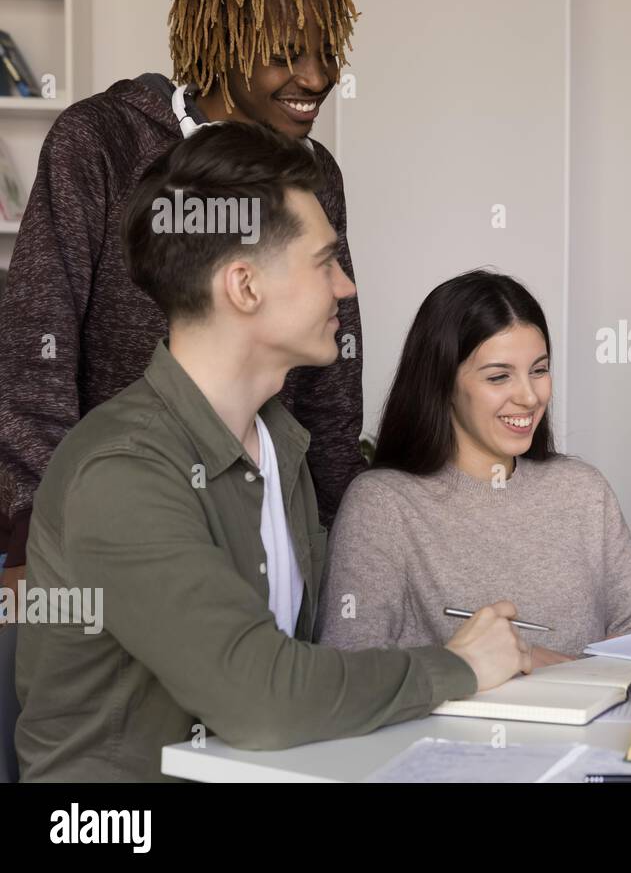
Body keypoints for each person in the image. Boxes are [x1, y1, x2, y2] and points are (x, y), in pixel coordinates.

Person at [15, 123, 529, 782]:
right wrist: (457, 666)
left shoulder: (279, 444)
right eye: (325, 262)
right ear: (245, 287)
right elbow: (263, 697)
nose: (345, 286)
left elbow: (294, 683)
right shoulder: (122, 471)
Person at [0, 0, 364, 601]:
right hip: (115, 524)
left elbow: (330, 381)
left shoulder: (315, 174)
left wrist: (333, 536)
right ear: (220, 46)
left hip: (264, 525)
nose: (316, 78)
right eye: (287, 54)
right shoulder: (100, 143)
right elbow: (34, 350)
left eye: (325, 52)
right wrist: (35, 531)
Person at [318, 270, 631, 660]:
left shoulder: (583, 490)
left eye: (539, 370)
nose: (530, 397)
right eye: (499, 377)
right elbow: (350, 668)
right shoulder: (382, 505)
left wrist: (542, 665)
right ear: (442, 384)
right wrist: (491, 666)